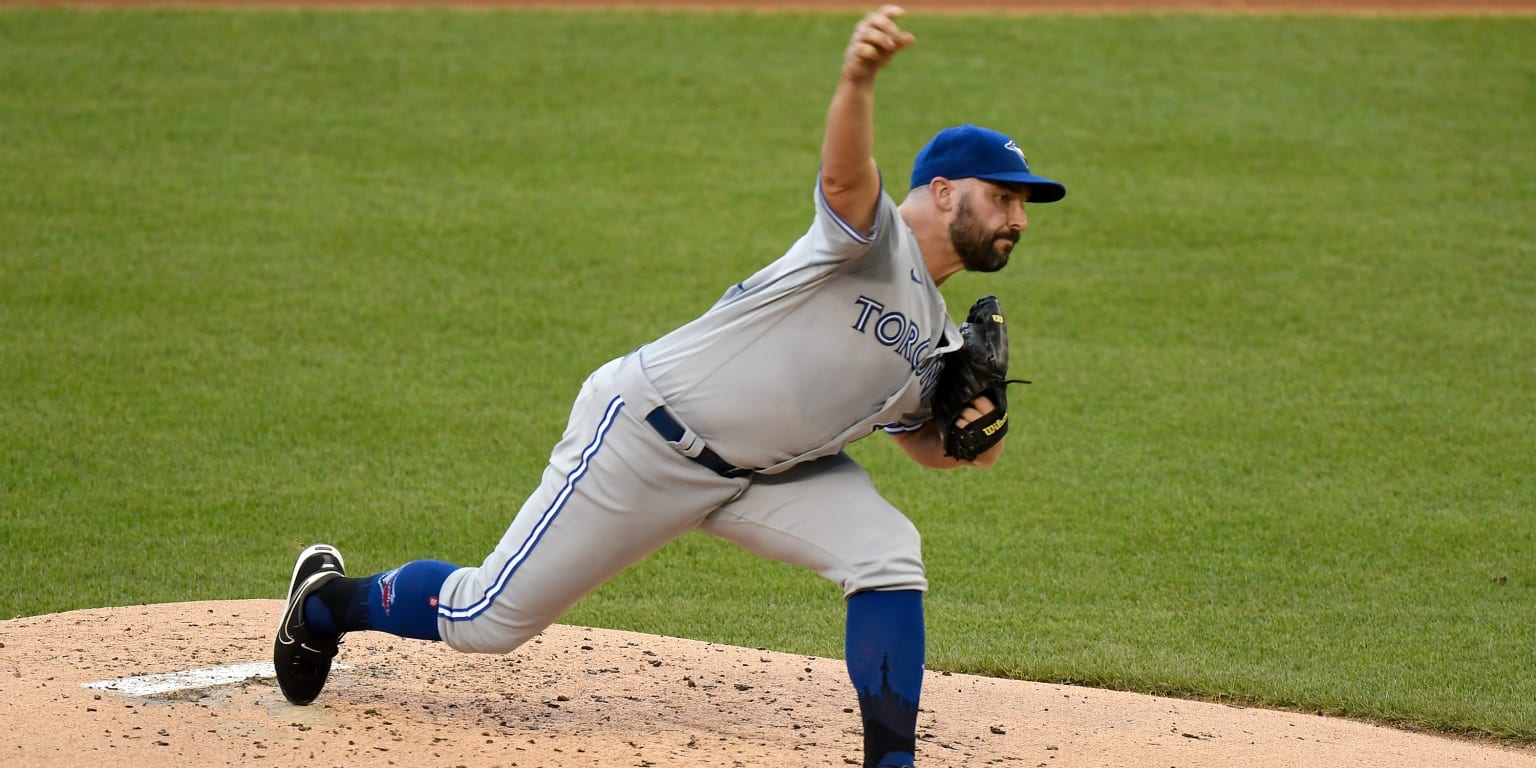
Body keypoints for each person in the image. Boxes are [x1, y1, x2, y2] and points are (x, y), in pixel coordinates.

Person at [273, 6, 1065, 767]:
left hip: (769, 476)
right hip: (648, 438)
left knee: (887, 551)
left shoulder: (940, 339)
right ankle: (326, 602)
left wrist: (979, 435)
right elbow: (843, 171)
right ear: (943, 191)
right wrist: (857, 81)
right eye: (1003, 197)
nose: (1019, 219)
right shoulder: (866, 239)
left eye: (1022, 205)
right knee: (487, 620)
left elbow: (931, 447)